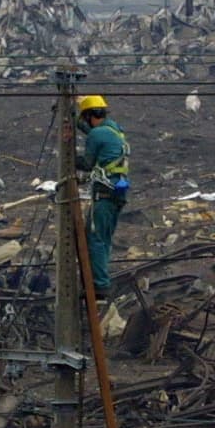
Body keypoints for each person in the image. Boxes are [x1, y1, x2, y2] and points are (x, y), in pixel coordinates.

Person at [72, 94, 130, 295]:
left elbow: (87, 164)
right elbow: (94, 132)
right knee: (103, 238)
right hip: (117, 193)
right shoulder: (115, 130)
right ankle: (100, 279)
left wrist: (70, 158)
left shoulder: (98, 135)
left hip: (104, 193)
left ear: (89, 116)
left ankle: (99, 284)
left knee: (94, 238)